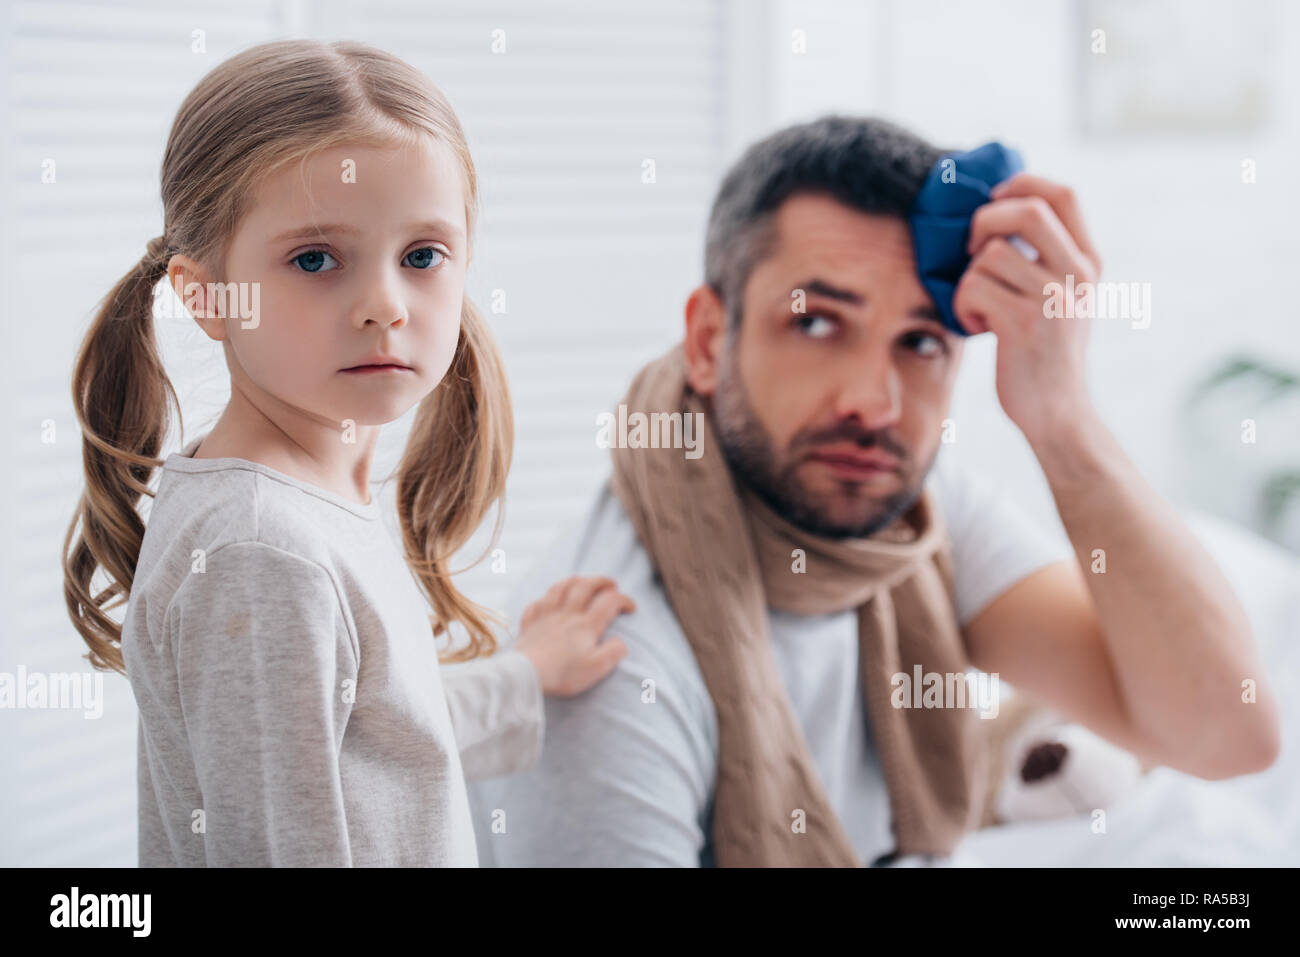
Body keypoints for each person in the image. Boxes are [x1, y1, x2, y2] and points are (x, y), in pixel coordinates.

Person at [469, 115, 1281, 867]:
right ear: (710, 340)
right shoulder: (610, 666)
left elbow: (1225, 735)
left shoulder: (913, 509)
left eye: (920, 340)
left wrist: (1063, 419)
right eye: (817, 322)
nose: (874, 402)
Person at [62, 39, 631, 867]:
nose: (384, 306)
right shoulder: (262, 551)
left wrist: (525, 677)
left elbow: (376, 740)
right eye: (315, 259)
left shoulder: (298, 504)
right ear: (206, 296)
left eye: (422, 256)